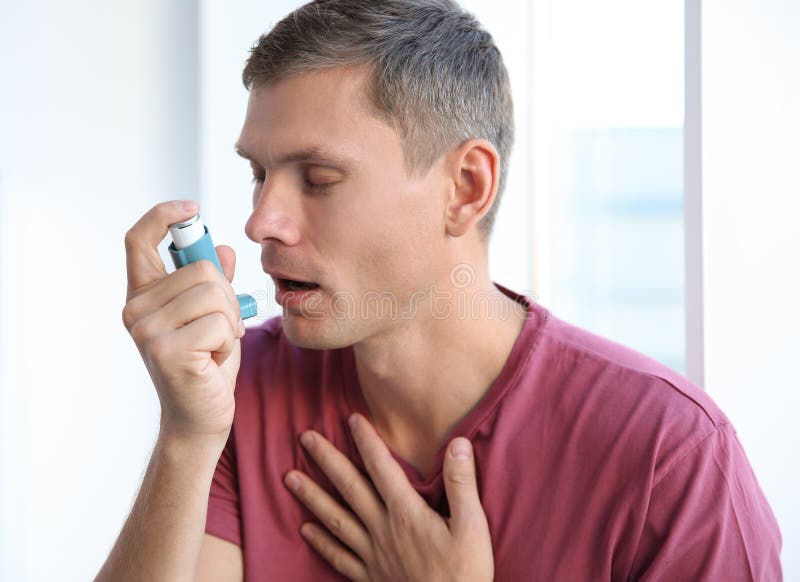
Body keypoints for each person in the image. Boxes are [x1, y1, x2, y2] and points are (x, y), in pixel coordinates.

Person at [97, 1, 783, 580]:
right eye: (259, 174)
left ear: (466, 189)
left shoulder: (673, 458)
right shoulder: (239, 394)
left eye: (318, 178)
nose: (261, 222)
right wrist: (187, 436)